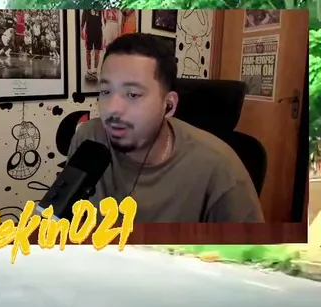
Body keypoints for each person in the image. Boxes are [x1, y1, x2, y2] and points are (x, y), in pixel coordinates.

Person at [68, 33, 264, 223]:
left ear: (169, 105)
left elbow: (249, 246)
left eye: (133, 94)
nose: (112, 108)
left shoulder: (220, 169)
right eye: (105, 91)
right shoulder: (88, 138)